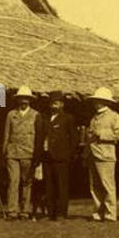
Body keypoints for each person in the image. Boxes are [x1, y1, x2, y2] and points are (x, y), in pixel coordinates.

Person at [1, 86, 44, 220]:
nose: (23, 101)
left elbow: (39, 137)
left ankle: (25, 210)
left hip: (28, 153)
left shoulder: (36, 115)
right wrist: (5, 151)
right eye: (21, 98)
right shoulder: (11, 114)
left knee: (26, 182)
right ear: (18, 100)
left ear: (30, 100)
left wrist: (37, 156)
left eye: (26, 99)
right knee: (13, 181)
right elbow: (7, 134)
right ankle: (12, 211)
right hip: (13, 153)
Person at [83, 86, 119, 222]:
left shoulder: (114, 116)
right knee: (94, 186)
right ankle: (98, 212)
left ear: (105, 102)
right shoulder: (93, 118)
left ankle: (110, 213)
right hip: (93, 154)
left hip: (106, 155)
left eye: (99, 100)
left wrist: (101, 134)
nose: (96, 103)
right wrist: (86, 154)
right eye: (95, 100)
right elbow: (89, 139)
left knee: (107, 185)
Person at [41, 91, 78, 221]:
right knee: (49, 186)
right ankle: (50, 213)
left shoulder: (68, 118)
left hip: (61, 157)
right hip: (47, 156)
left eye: (56, 103)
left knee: (61, 186)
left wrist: (68, 154)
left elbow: (74, 139)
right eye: (52, 103)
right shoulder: (45, 118)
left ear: (62, 104)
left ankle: (62, 213)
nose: (53, 106)